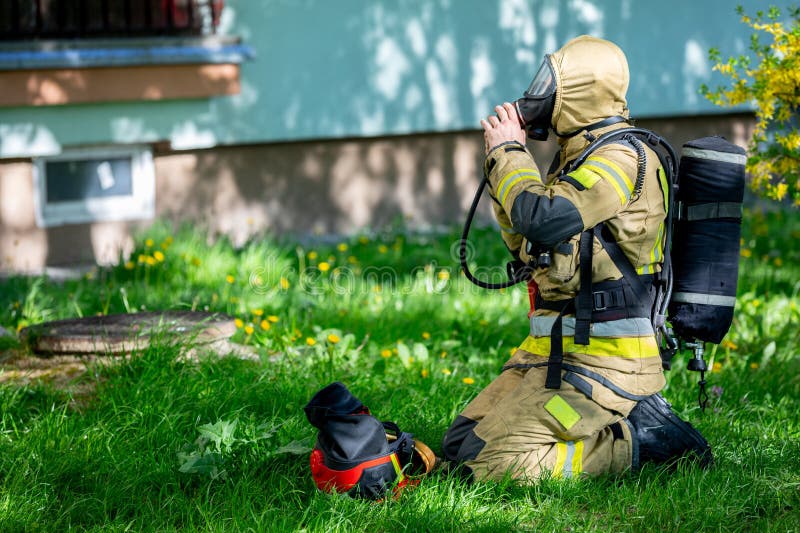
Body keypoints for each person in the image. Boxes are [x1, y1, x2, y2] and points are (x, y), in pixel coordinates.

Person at [442, 35, 712, 482]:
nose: (540, 94)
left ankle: (641, 443)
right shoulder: (576, 162)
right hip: (553, 353)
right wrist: (501, 168)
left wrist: (509, 153)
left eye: (552, 83)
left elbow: (543, 218)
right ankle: (621, 430)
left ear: (580, 91)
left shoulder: (623, 158)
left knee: (491, 464)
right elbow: (530, 244)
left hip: (607, 361)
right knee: (461, 444)